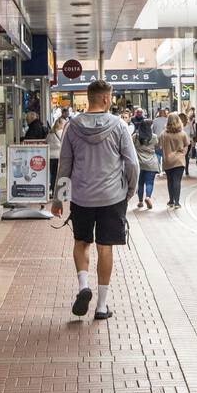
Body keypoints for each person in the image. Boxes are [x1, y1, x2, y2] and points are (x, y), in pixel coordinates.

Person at [52, 79, 139, 321]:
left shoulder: (72, 126)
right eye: (110, 97)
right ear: (104, 99)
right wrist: (129, 191)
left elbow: (64, 165)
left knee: (81, 242)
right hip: (112, 198)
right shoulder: (119, 126)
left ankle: (83, 287)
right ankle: (101, 306)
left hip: (81, 197)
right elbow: (132, 163)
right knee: (105, 247)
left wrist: (58, 198)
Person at [159, 114, 190, 208]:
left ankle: (171, 200)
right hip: (179, 160)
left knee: (170, 181)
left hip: (168, 160)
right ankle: (177, 202)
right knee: (177, 181)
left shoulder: (163, 134)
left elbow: (159, 146)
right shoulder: (182, 133)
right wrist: (183, 153)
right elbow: (187, 144)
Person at [131, 119, 160, 209]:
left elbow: (130, 147)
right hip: (151, 163)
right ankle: (148, 197)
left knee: (140, 183)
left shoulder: (135, 136)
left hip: (139, 163)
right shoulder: (154, 137)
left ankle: (140, 201)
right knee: (149, 182)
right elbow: (157, 146)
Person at [47, 117, 66, 195]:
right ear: (62, 124)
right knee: (60, 174)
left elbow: (46, 142)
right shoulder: (62, 132)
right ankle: (61, 191)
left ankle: (52, 189)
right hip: (59, 156)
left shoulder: (50, 133)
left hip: (51, 157)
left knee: (53, 174)